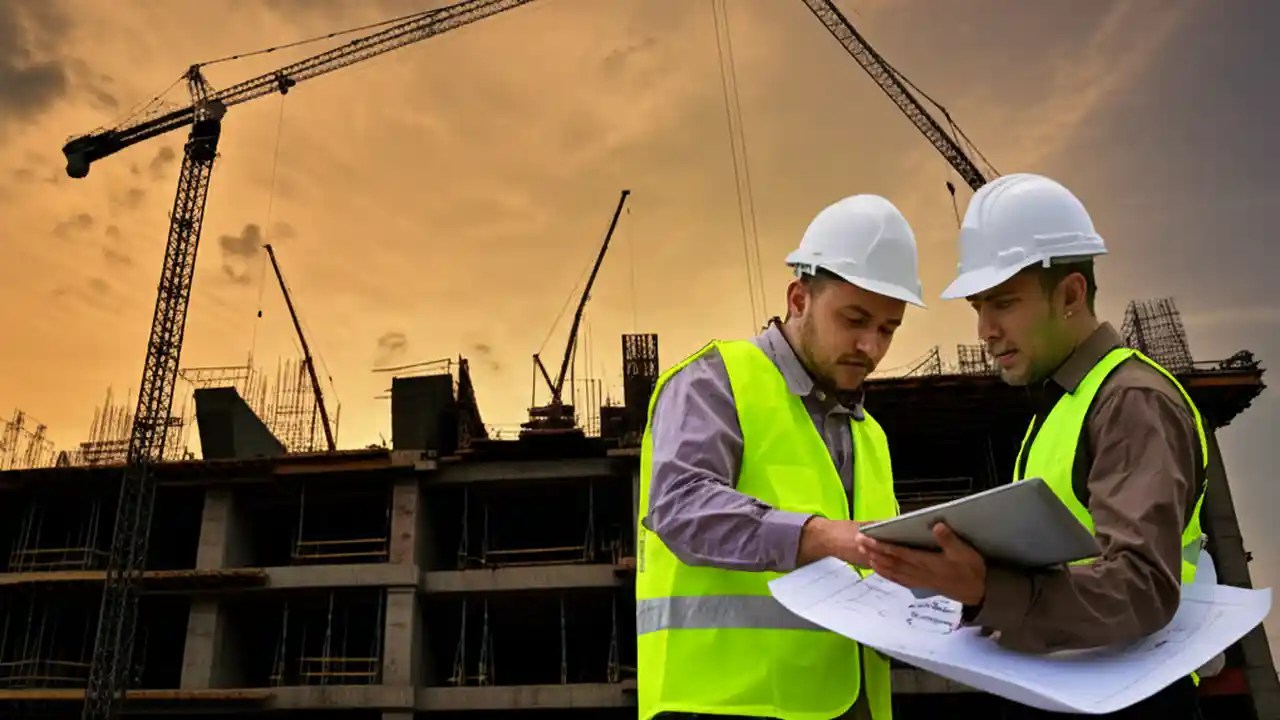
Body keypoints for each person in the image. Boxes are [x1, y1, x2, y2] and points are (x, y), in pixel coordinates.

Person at [856, 173, 1210, 718]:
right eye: (978, 307)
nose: (985, 330)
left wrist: (986, 590)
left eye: (1002, 303)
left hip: (1131, 694)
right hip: (1074, 684)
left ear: (1070, 294)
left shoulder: (1131, 401)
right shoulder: (1061, 408)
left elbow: (1141, 587)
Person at [634, 193, 923, 720]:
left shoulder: (870, 435)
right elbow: (679, 507)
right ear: (798, 299)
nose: (871, 347)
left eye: (887, 329)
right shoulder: (714, 381)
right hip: (725, 706)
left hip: (850, 706)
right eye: (854, 319)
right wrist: (824, 537)